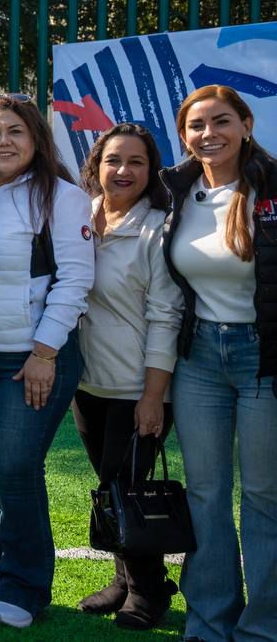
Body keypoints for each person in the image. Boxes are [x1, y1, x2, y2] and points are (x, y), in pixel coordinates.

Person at [0, 94, 94, 629]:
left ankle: (27, 583)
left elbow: (76, 280)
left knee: (14, 464)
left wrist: (43, 353)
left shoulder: (62, 196)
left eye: (15, 131)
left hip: (30, 356)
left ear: (35, 138)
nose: (3, 142)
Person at [161, 85, 277, 642]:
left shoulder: (272, 187)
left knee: (263, 495)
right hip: (200, 358)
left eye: (221, 121)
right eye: (196, 125)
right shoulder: (175, 190)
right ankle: (208, 623)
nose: (209, 134)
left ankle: (263, 628)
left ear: (246, 124)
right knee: (205, 494)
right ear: (184, 134)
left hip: (264, 356)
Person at [72, 124, 182, 630]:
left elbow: (166, 316)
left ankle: (149, 593)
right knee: (110, 485)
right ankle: (123, 579)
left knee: (126, 485)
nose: (123, 171)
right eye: (114, 160)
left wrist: (154, 395)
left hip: (137, 386)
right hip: (88, 382)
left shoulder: (159, 229)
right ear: (96, 165)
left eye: (136, 162)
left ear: (150, 170)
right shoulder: (81, 215)